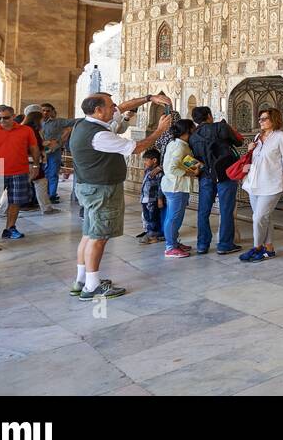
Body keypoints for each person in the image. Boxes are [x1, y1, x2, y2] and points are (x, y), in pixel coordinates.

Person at [69, 91, 172, 300]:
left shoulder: (84, 124)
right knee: (99, 237)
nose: (115, 108)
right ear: (98, 110)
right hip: (102, 191)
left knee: (89, 234)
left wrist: (149, 99)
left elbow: (123, 107)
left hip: (89, 187)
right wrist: (160, 130)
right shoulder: (99, 135)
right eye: (110, 105)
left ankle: (81, 280)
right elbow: (137, 148)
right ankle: (92, 287)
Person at [238, 107, 283, 264]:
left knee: (258, 217)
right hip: (254, 184)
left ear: (274, 119)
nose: (260, 121)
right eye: (260, 119)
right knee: (265, 217)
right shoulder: (258, 137)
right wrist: (244, 173)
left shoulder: (281, 137)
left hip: (272, 185)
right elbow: (252, 159)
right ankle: (269, 249)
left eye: (264, 119)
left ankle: (257, 248)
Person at [0, 106, 40, 240]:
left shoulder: (26, 130)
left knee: (15, 201)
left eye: (6, 117)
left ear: (13, 116)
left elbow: (33, 147)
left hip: (19, 170)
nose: (2, 121)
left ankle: (10, 228)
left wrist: (35, 165)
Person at [189, 106, 243, 255]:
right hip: (225, 174)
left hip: (205, 175)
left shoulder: (193, 137)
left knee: (203, 211)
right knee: (226, 210)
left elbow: (192, 158)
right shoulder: (220, 127)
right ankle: (225, 245)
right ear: (209, 116)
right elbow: (239, 142)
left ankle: (202, 245)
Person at [160, 119, 198, 258]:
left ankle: (174, 243)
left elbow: (184, 160)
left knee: (176, 217)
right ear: (187, 131)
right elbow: (172, 168)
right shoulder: (180, 147)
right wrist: (190, 173)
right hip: (175, 187)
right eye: (193, 129)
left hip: (175, 186)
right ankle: (170, 247)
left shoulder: (178, 144)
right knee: (173, 218)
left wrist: (196, 166)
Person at [21, 107, 60, 216]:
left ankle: (4, 210)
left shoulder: (24, 128)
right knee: (40, 183)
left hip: (26, 161)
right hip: (31, 161)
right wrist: (47, 145)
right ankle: (46, 208)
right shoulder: (31, 129)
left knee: (20, 185)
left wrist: (45, 143)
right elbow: (35, 147)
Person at [38, 103, 75, 204]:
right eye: (43, 110)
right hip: (40, 152)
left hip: (54, 151)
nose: (45, 112)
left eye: (48, 111)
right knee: (41, 174)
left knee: (53, 173)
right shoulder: (36, 123)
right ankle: (42, 195)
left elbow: (73, 121)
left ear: (52, 112)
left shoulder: (58, 122)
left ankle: (52, 195)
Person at [137, 149, 165, 245]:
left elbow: (161, 186)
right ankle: (149, 233)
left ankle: (153, 235)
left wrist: (160, 199)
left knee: (153, 218)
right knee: (147, 217)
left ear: (154, 160)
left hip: (152, 200)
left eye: (146, 160)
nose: (144, 162)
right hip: (145, 199)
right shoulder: (147, 170)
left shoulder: (158, 173)